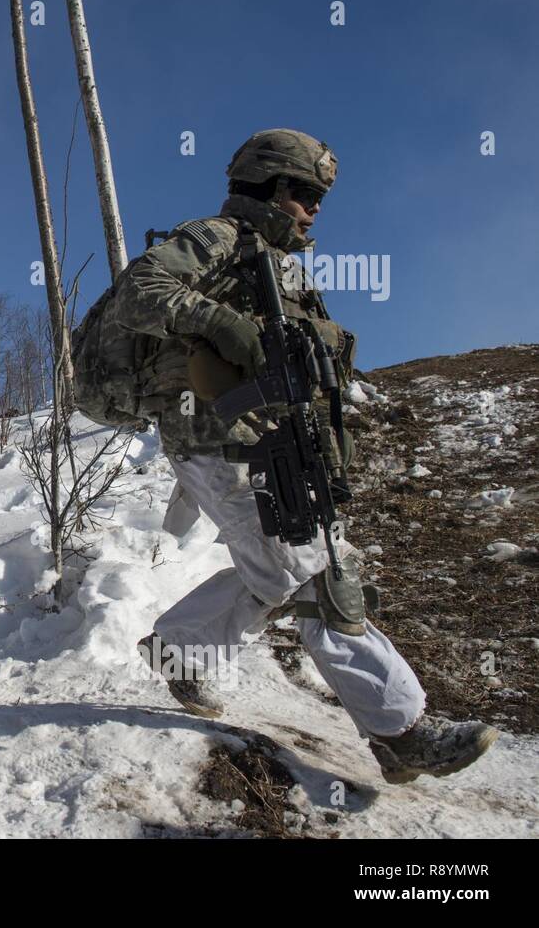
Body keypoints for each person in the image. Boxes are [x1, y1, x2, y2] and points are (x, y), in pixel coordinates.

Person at [101, 129, 496, 784]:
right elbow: (141, 292)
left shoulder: (278, 267)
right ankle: (401, 730)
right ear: (266, 186)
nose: (314, 209)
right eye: (303, 193)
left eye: (319, 198)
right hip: (217, 440)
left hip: (269, 443)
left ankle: (181, 651)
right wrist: (220, 323)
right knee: (315, 578)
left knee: (283, 566)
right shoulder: (218, 239)